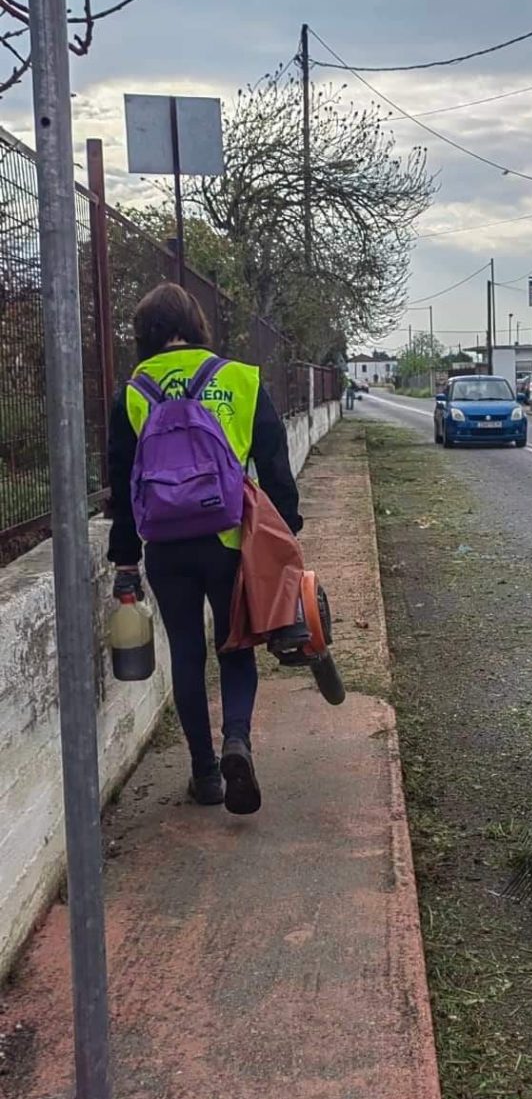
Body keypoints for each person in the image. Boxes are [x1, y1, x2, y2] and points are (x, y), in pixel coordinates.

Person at [107, 284, 302, 816]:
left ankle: (204, 774)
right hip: (229, 540)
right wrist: (284, 532)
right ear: (196, 326)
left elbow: (121, 485)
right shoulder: (239, 378)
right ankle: (237, 739)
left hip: (166, 547)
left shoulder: (133, 389)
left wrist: (125, 560)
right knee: (235, 647)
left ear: (144, 333)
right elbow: (276, 467)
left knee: (188, 655)